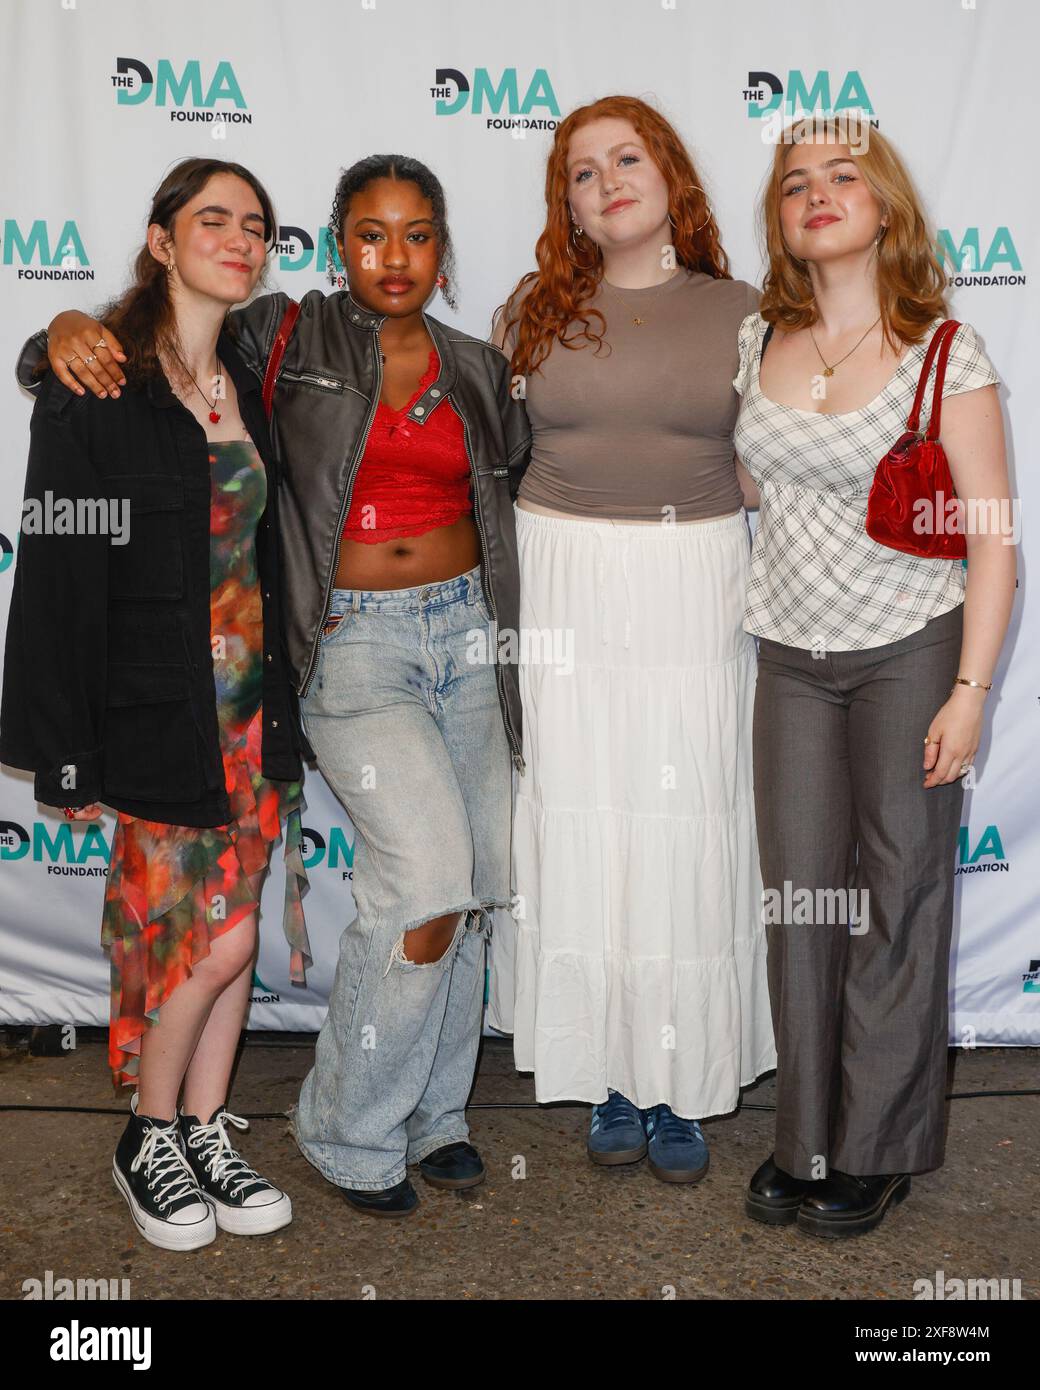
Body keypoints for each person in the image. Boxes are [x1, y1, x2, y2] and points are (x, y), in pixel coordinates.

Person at [32, 154, 531, 1218]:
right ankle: (347, 1127)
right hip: (350, 645)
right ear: (336, 245)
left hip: (466, 641)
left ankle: (435, 1113)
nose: (392, 255)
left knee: (476, 886)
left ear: (442, 251)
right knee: (425, 883)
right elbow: (134, 345)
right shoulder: (284, 337)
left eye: (415, 233)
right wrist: (55, 332)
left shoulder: (481, 366)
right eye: (367, 232)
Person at [2, 158, 310, 1251]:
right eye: (211, 219)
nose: (238, 237)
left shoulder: (256, 371)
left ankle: (203, 1123)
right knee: (199, 942)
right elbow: (56, 577)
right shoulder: (97, 385)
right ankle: (145, 1135)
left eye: (256, 225)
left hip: (254, 710)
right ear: (160, 238)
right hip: (155, 710)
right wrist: (64, 749)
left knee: (238, 931)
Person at [734, 117, 1015, 1237]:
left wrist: (970, 691)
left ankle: (877, 1147)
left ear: (883, 205)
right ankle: (803, 1137)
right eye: (794, 182)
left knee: (895, 904)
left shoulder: (947, 352)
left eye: (840, 177)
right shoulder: (756, 339)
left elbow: (994, 538)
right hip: (789, 661)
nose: (815, 193)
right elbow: (757, 489)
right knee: (800, 903)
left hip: (911, 656)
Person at [493, 95, 775, 1183]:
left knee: (678, 817)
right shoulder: (531, 309)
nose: (603, 181)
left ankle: (677, 1076)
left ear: (669, 176)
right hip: (558, 581)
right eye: (578, 171)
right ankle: (606, 1072)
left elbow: (775, 467)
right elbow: (487, 461)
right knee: (581, 812)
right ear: (563, 201)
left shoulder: (746, 310)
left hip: (692, 582)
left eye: (624, 158)